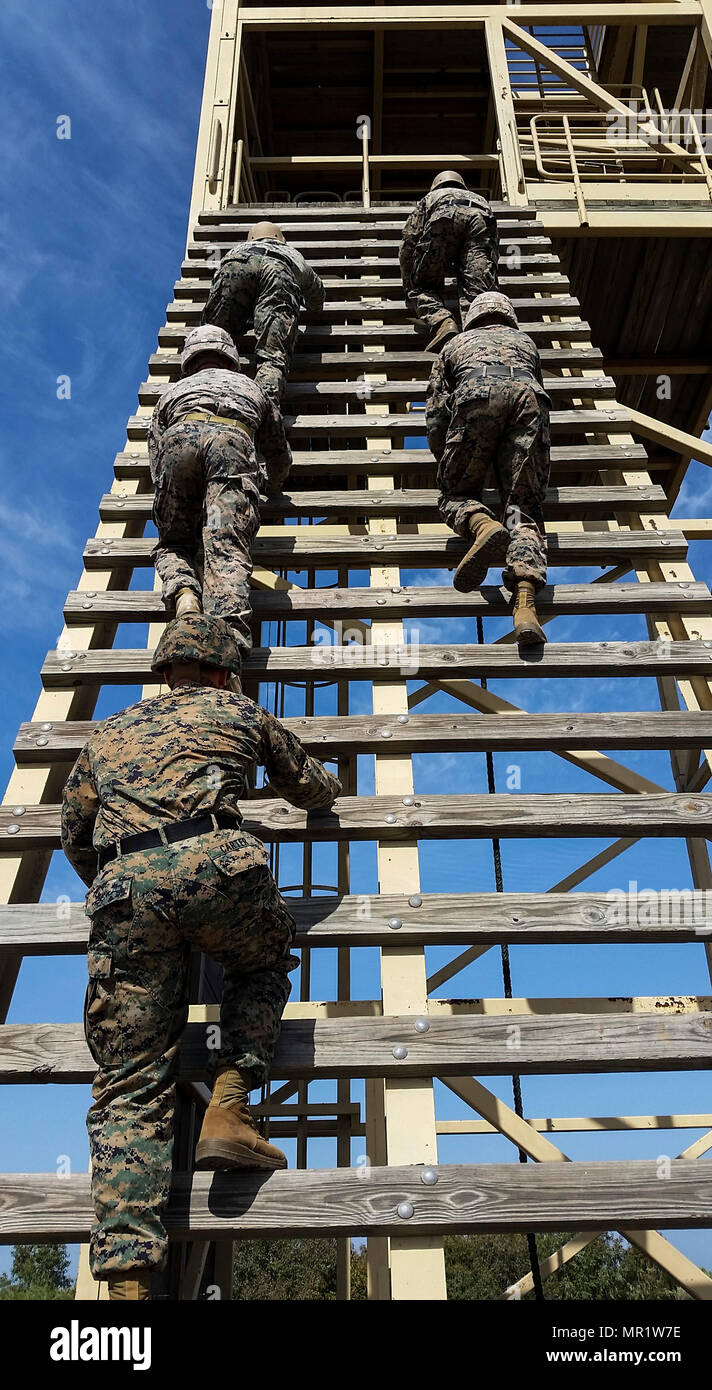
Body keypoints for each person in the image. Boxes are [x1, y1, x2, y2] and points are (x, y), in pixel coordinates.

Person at [61, 614, 342, 1301]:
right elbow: (306, 786)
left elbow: (75, 833)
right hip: (221, 867)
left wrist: (131, 886)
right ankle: (230, 1105)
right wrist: (327, 791)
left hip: (122, 886)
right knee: (261, 962)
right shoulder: (238, 710)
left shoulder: (109, 733)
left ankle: (127, 1279)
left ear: (164, 672)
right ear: (223, 670)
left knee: (130, 1077)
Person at [148, 324, 292, 656]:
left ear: (190, 360)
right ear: (230, 357)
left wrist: (178, 497)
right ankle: (226, 647)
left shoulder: (173, 392)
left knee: (173, 543)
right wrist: (270, 485)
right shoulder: (251, 388)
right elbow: (278, 452)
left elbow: (157, 458)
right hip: (233, 444)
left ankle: (184, 594)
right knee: (226, 550)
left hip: (178, 440)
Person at [425, 291, 551, 645]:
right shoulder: (527, 343)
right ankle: (524, 602)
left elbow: (436, 413)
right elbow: (536, 392)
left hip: (476, 395)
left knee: (454, 495)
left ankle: (482, 525)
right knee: (522, 510)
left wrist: (450, 459)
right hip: (529, 400)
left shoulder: (454, 346)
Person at [201, 221, 325, 400]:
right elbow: (317, 294)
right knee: (272, 354)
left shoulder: (239, 248)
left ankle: (200, 390)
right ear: (281, 239)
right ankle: (264, 407)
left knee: (213, 336)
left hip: (236, 266)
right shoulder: (293, 254)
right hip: (279, 270)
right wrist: (311, 306)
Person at [399, 170, 499, 352]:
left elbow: (410, 237)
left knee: (420, 287)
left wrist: (409, 278)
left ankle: (443, 322)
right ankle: (478, 336)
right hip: (481, 221)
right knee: (477, 291)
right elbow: (490, 245)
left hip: (443, 219)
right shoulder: (480, 199)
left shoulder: (431, 197)